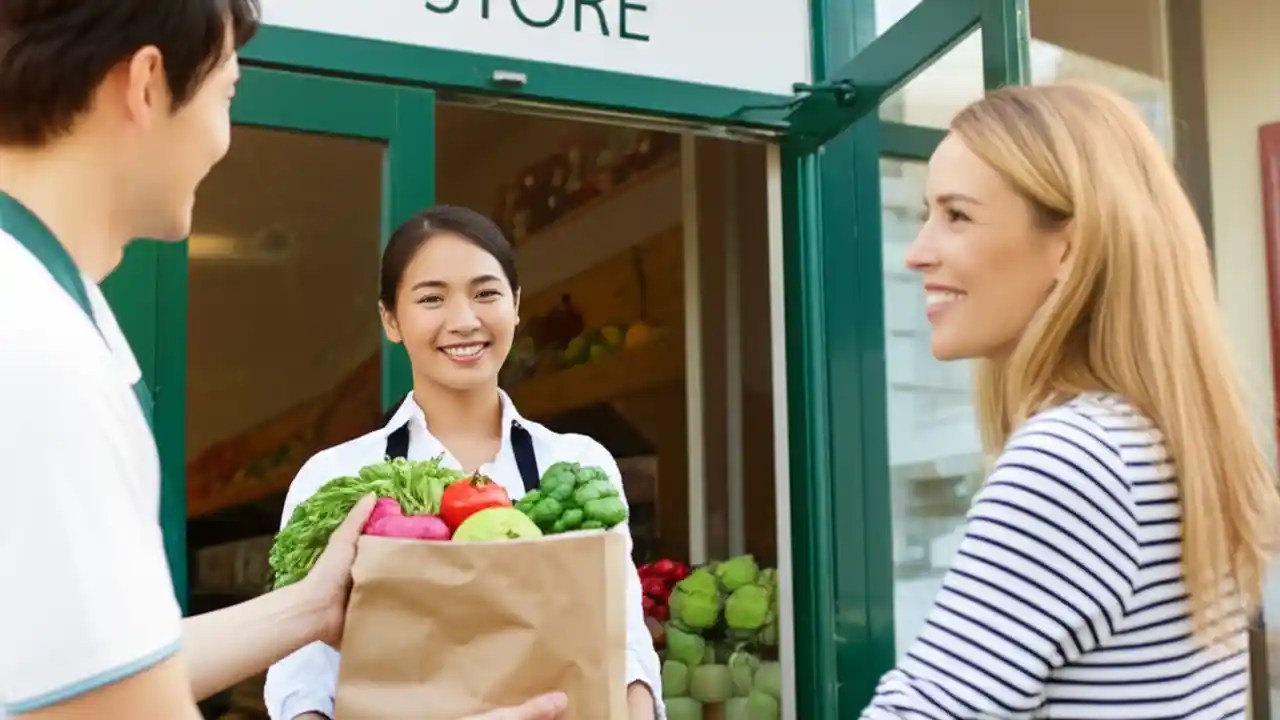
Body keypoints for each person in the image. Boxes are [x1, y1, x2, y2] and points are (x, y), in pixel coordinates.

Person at [0, 3, 565, 719]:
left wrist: (309, 609)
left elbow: (103, 674)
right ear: (146, 85)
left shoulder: (43, 316)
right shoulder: (43, 355)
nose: (224, 140)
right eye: (227, 95)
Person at [859, 81, 1280, 719]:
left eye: (958, 215)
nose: (918, 253)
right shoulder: (1154, 440)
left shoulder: (1074, 460)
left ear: (1068, 247)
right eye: (926, 213)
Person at [264, 204, 664, 720]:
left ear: (516, 304)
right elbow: (303, 668)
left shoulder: (577, 464)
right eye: (432, 298)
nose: (464, 321)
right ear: (390, 319)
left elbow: (622, 635)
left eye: (486, 293)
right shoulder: (336, 477)